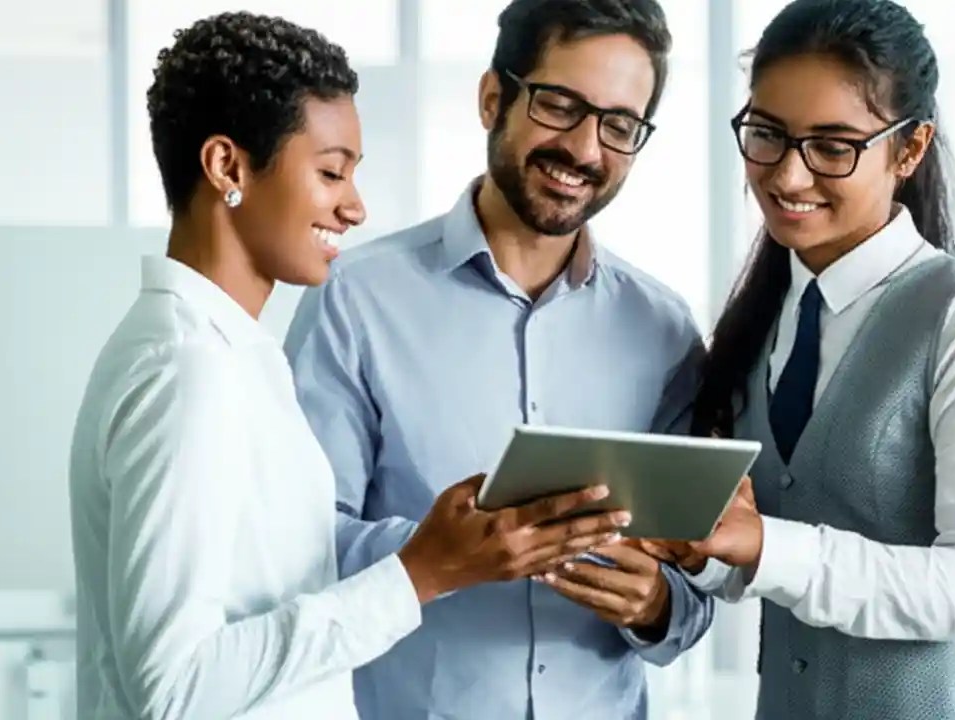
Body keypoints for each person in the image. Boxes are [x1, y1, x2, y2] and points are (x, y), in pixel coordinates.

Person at [67, 12, 630, 720]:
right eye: (331, 172)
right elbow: (174, 689)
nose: (355, 207)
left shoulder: (237, 358)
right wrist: (420, 572)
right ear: (227, 167)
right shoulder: (187, 371)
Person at [283, 1, 713, 717]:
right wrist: (439, 555)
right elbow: (294, 544)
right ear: (493, 99)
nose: (585, 149)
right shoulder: (355, 299)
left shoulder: (664, 330)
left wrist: (656, 605)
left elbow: (696, 587)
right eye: (560, 106)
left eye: (619, 125)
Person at [641, 1, 955, 717]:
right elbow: (763, 548)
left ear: (909, 150)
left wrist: (769, 545)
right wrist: (703, 555)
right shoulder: (760, 320)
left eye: (832, 146)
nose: (788, 177)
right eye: (768, 135)